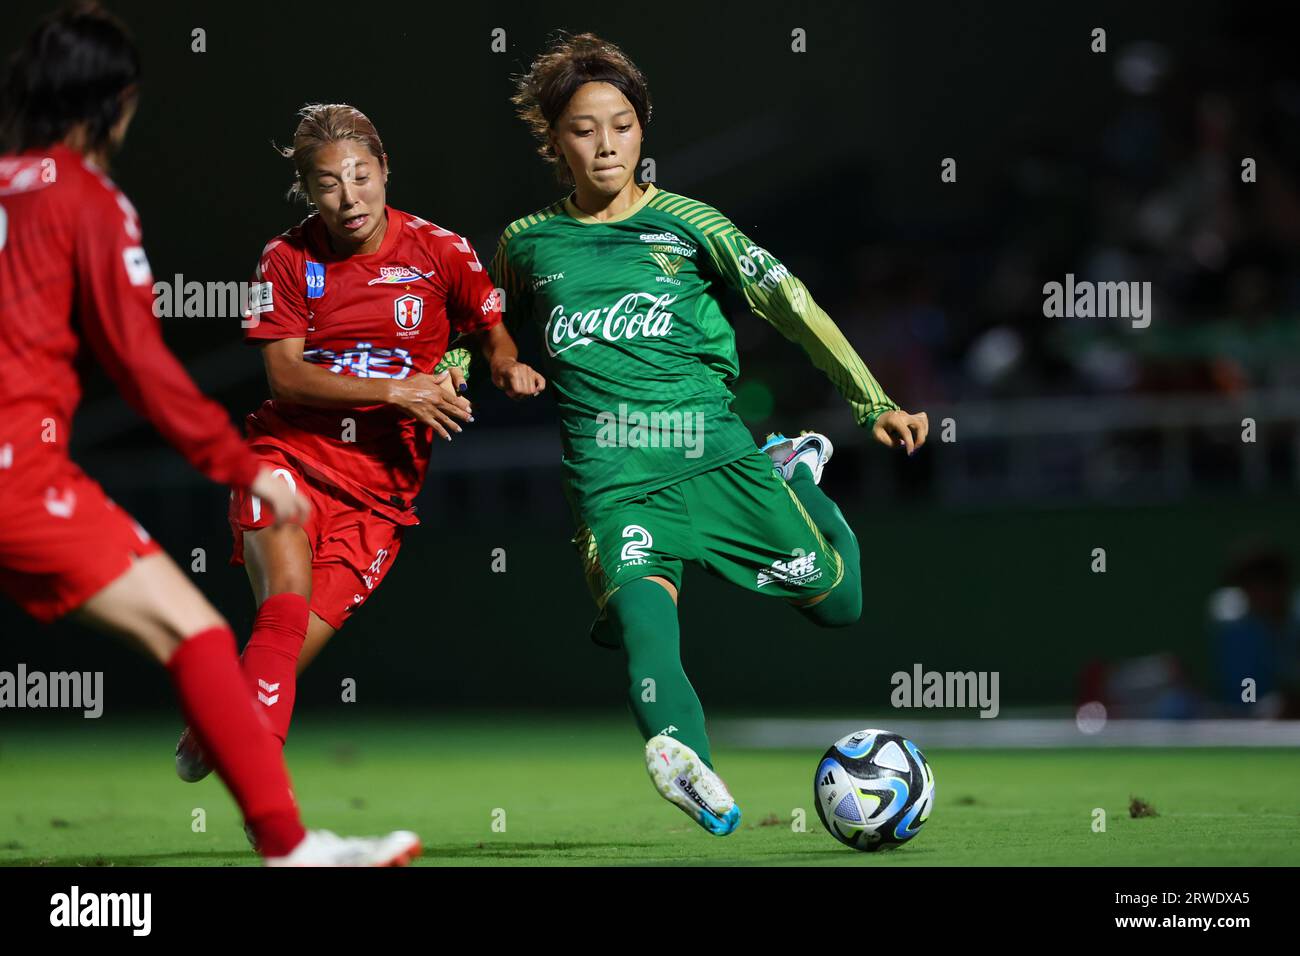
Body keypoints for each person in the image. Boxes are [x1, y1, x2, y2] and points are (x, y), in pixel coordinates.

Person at [0, 2, 420, 866]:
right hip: (19, 479)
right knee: (194, 634)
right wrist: (240, 465)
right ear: (116, 102)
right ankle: (289, 847)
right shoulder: (86, 200)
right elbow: (143, 368)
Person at [486, 33, 928, 835]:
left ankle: (790, 470)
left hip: (714, 451)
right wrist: (474, 362)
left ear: (642, 129)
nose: (606, 143)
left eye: (621, 123)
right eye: (584, 128)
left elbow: (790, 304)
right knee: (645, 623)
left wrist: (872, 402)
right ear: (555, 140)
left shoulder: (690, 224)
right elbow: (479, 322)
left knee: (841, 605)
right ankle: (687, 763)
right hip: (611, 471)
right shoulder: (525, 242)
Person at [174, 102, 543, 780]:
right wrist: (400, 389)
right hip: (286, 458)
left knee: (281, 649)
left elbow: (489, 328)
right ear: (308, 191)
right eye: (327, 183)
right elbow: (284, 376)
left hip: (379, 496)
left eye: (361, 176)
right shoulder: (286, 258)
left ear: (384, 170)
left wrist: (504, 365)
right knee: (283, 607)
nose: (349, 198)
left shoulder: (442, 251)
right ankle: (268, 805)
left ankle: (218, 714)